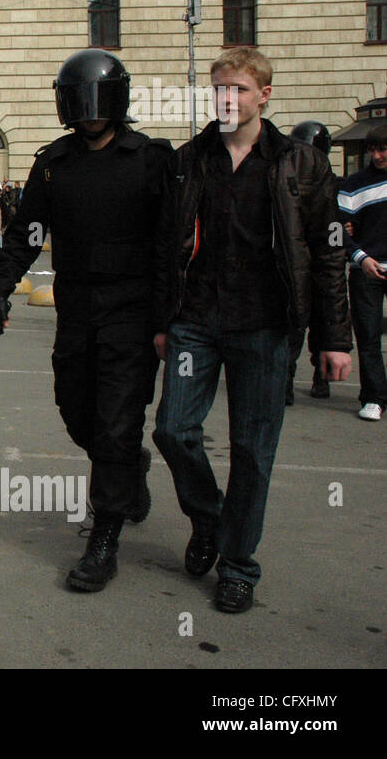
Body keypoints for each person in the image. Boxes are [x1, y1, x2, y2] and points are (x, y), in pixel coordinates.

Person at [152, 47, 352, 613]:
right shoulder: (191, 160)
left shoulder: (300, 163)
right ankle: (210, 520)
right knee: (172, 429)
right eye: (219, 89)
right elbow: (167, 249)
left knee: (252, 451)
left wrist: (333, 339)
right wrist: (163, 322)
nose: (227, 99)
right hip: (197, 320)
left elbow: (327, 252)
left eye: (238, 89)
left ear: (265, 94)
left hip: (266, 328)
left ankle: (238, 565)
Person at [0, 49, 171, 592]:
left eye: (99, 103)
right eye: (81, 103)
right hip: (77, 311)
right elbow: (27, 230)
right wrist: (1, 286)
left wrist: (168, 317)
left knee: (116, 423)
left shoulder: (150, 159)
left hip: (131, 315)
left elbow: (169, 244)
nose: (91, 114)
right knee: (76, 411)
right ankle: (126, 466)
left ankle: (105, 535)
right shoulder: (53, 163)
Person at [337, 122, 387, 420]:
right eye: (372, 150)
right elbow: (336, 228)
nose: (377, 156)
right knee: (367, 336)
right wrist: (359, 256)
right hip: (365, 267)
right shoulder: (354, 183)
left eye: (382, 149)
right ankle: (373, 397)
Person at [286, 120, 334, 404]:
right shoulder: (293, 177)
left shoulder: (325, 178)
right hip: (302, 263)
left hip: (316, 261)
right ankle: (291, 379)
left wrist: (341, 231)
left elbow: (335, 223)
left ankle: (319, 377)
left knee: (319, 325)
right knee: (295, 329)